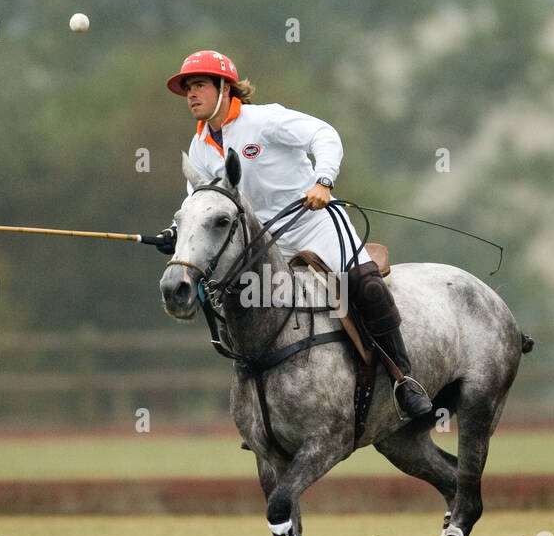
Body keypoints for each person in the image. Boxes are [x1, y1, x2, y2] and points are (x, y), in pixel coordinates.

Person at [152, 49, 433, 419]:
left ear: (225, 88)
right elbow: (199, 202)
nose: (190, 94)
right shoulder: (200, 145)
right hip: (265, 242)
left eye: (199, 85)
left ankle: (403, 378)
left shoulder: (265, 120)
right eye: (187, 87)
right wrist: (175, 231)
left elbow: (325, 135)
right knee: (237, 304)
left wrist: (323, 180)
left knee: (364, 285)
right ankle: (264, 409)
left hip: (314, 224)